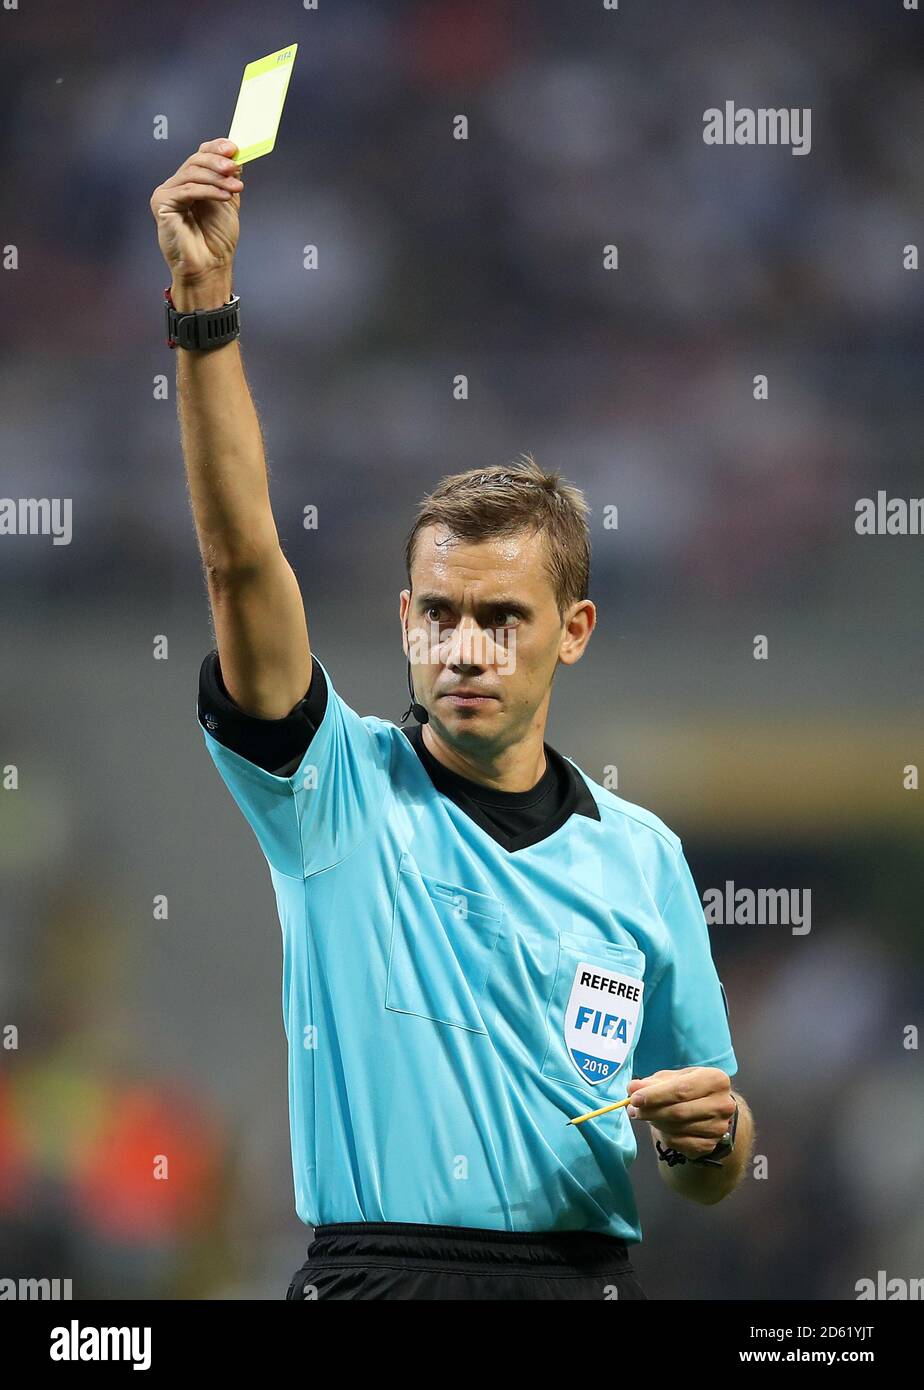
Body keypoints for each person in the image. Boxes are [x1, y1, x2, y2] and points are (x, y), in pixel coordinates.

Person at [150, 138, 754, 1301]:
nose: (465, 645)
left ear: (573, 630)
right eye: (439, 614)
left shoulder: (644, 859)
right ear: (405, 620)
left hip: (584, 1279)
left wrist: (714, 1138)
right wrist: (202, 305)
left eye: (503, 617)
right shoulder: (332, 792)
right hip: (381, 1278)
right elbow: (240, 563)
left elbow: (706, 1159)